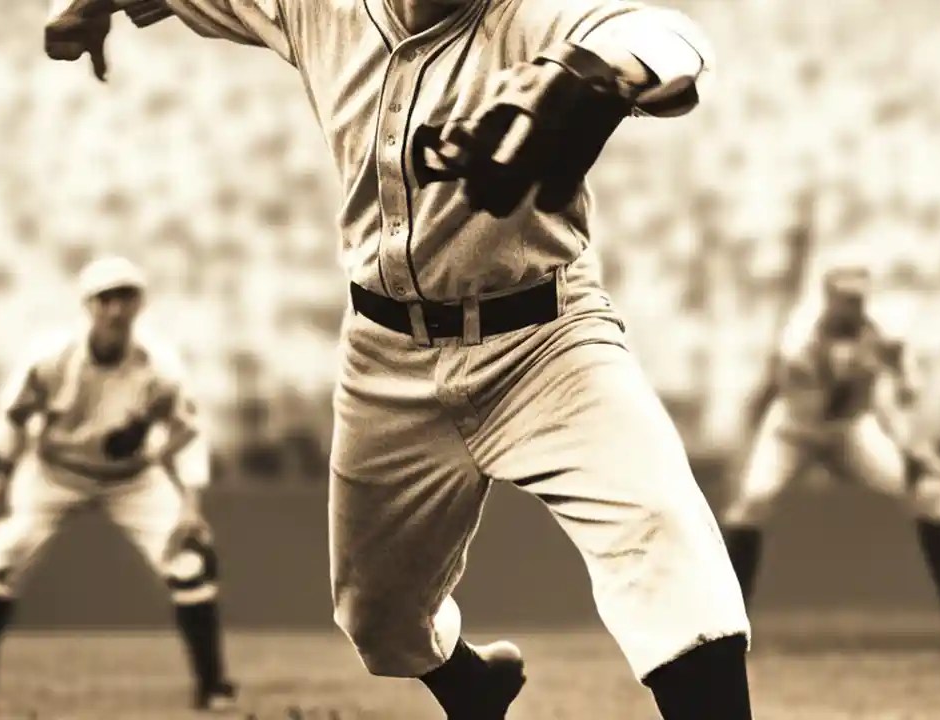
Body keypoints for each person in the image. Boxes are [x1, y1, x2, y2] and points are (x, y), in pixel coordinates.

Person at [44, 0, 755, 717]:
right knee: (377, 617)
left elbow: (671, 39)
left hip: (544, 340)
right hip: (386, 356)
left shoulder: (533, 15)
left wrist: (585, 74)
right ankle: (474, 687)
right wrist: (84, 10)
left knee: (660, 529)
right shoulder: (316, 9)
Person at [0, 257, 237, 713]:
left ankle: (214, 686)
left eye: (126, 297)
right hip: (54, 471)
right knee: (1, 555)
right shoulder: (51, 357)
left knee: (190, 563)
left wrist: (190, 505)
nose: (116, 309)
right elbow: (13, 413)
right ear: (89, 306)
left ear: (140, 304)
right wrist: (0, 476)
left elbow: (188, 430)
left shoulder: (159, 366)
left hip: (132, 478)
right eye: (106, 298)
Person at [721, 259, 940, 655]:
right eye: (845, 298)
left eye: (858, 298)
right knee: (752, 501)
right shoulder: (799, 334)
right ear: (829, 298)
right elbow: (820, 396)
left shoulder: (881, 333)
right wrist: (865, 365)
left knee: (930, 496)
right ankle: (727, 632)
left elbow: (897, 398)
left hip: (850, 429)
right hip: (793, 429)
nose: (852, 307)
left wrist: (914, 436)